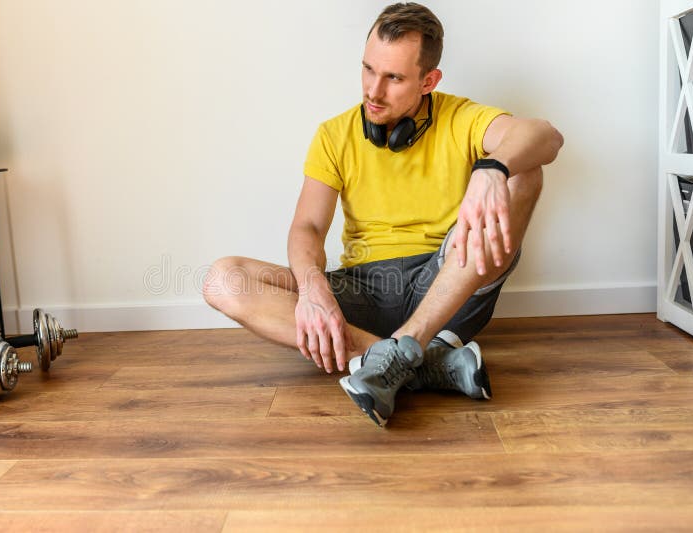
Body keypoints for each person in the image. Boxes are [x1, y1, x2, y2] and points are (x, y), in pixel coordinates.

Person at [203, 2, 563, 427]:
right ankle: (420, 362)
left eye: (393, 78)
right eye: (368, 69)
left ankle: (404, 346)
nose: (373, 91)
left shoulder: (461, 118)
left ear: (428, 81)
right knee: (222, 279)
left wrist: (493, 168)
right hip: (364, 290)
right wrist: (313, 288)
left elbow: (546, 137)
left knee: (525, 171)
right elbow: (308, 226)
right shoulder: (334, 134)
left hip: (445, 282)